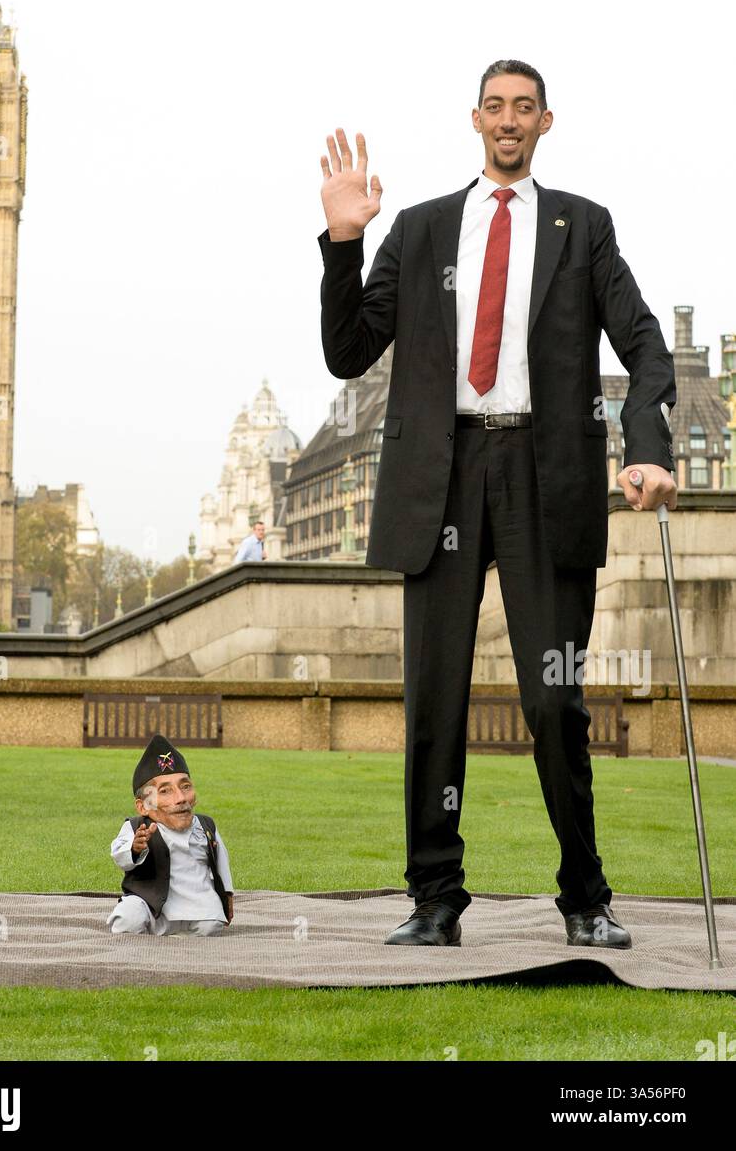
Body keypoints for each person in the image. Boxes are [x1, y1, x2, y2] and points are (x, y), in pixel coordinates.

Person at [317, 59, 677, 950]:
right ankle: (434, 900)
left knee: (552, 699)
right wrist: (341, 242)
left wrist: (648, 450)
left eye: (524, 108)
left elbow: (643, 346)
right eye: (495, 106)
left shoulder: (581, 227)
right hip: (439, 474)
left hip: (544, 476)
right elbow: (346, 350)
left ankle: (584, 898)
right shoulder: (423, 228)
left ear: (544, 123)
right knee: (432, 700)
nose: (508, 120)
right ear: (473, 118)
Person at [106, 733, 234, 936]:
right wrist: (135, 848)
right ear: (143, 806)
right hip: (151, 905)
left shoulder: (206, 826)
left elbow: (221, 862)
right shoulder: (137, 828)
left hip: (196, 903)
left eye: (185, 787)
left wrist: (227, 893)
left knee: (212, 925)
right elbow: (119, 855)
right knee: (129, 918)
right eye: (165, 791)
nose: (181, 798)